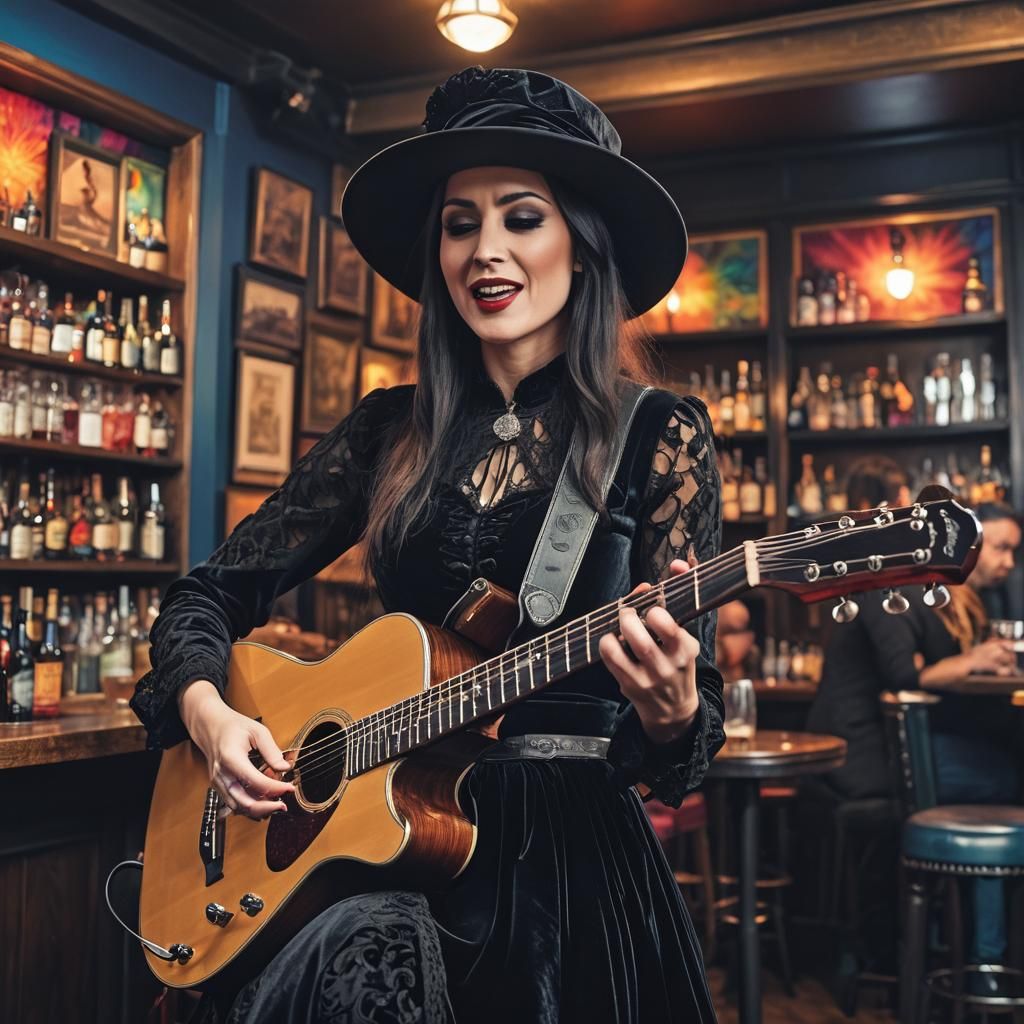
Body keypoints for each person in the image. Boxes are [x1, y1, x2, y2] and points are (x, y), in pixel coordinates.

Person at [131, 66, 725, 1023]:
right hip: (371, 844)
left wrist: (672, 710)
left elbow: (689, 743)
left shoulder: (661, 434)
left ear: (584, 242)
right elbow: (205, 596)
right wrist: (210, 717)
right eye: (460, 224)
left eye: (522, 217)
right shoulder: (385, 430)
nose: (485, 251)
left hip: (563, 882)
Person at [808, 501, 1021, 976]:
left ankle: (966, 948)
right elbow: (905, 675)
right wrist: (967, 664)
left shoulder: (949, 596)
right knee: (1009, 778)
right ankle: (983, 959)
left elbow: (929, 673)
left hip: (905, 743)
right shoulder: (893, 586)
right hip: (867, 753)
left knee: (1005, 771)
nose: (1007, 562)